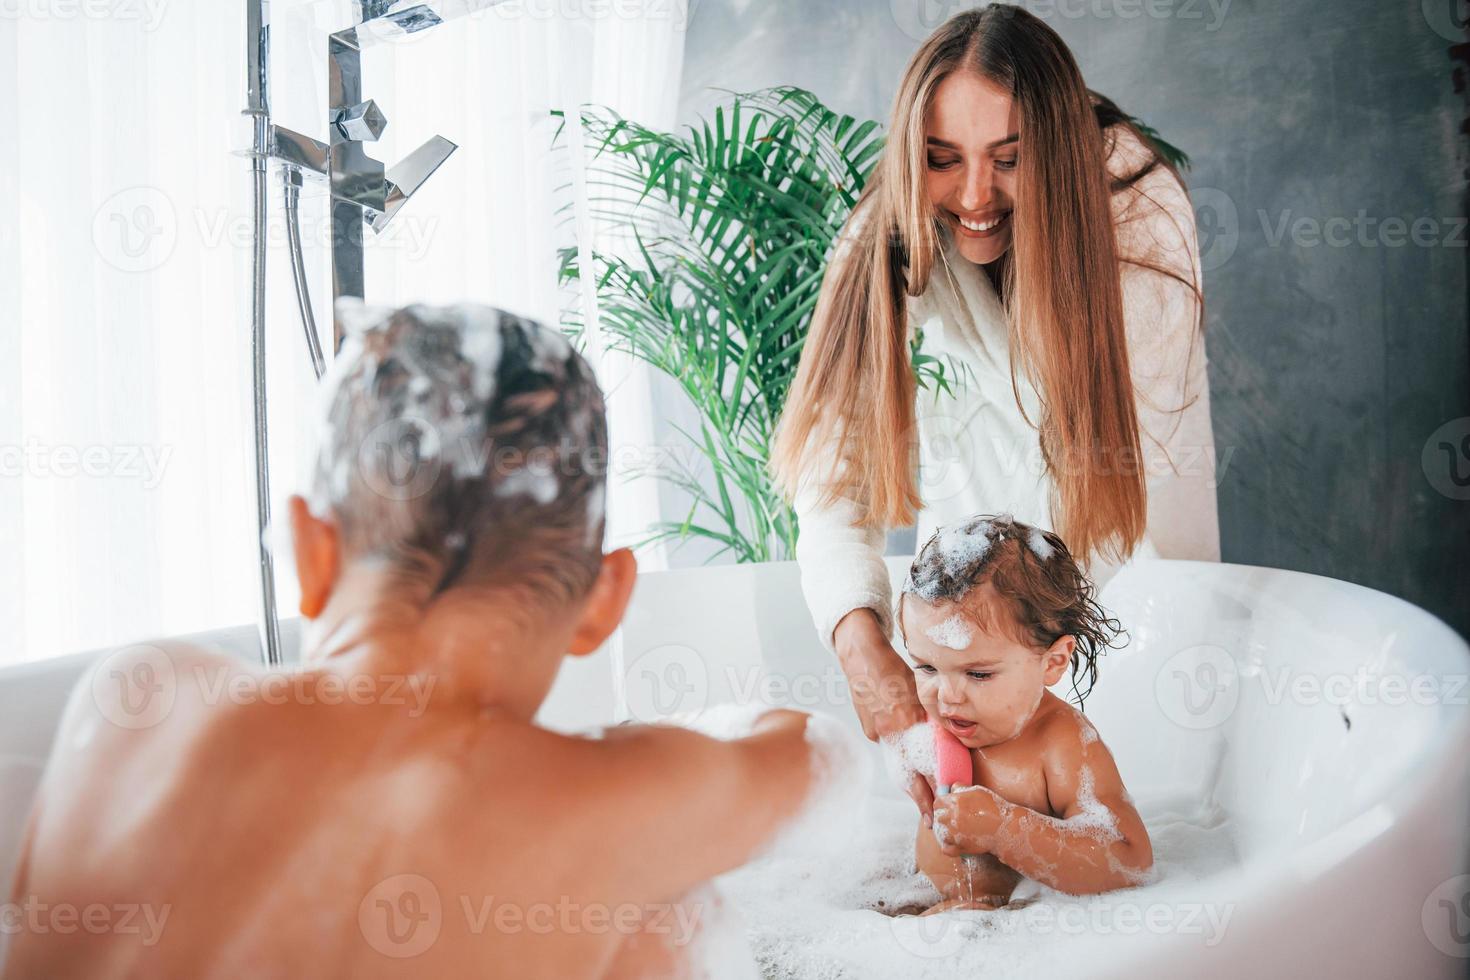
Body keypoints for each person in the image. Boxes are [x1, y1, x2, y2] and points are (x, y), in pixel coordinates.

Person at [2, 301, 833, 979]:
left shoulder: (133, 706)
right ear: (603, 600)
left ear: (308, 549)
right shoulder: (599, 802)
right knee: (666, 919)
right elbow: (804, 757)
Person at [767, 6, 1221, 823]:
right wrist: (870, 650)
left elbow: (1120, 499)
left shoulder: (1138, 217)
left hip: (1131, 592)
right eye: (942, 160)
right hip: (975, 629)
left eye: (1009, 160)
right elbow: (832, 483)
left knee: (1123, 830)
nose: (974, 197)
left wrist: (1003, 677)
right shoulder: (891, 225)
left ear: (1055, 154)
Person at [894, 514, 1152, 913]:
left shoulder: (1061, 743)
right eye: (926, 668)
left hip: (1013, 929)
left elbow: (1129, 859)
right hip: (920, 903)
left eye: (978, 673)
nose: (945, 697)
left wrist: (1002, 828)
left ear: (1053, 662)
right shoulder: (934, 721)